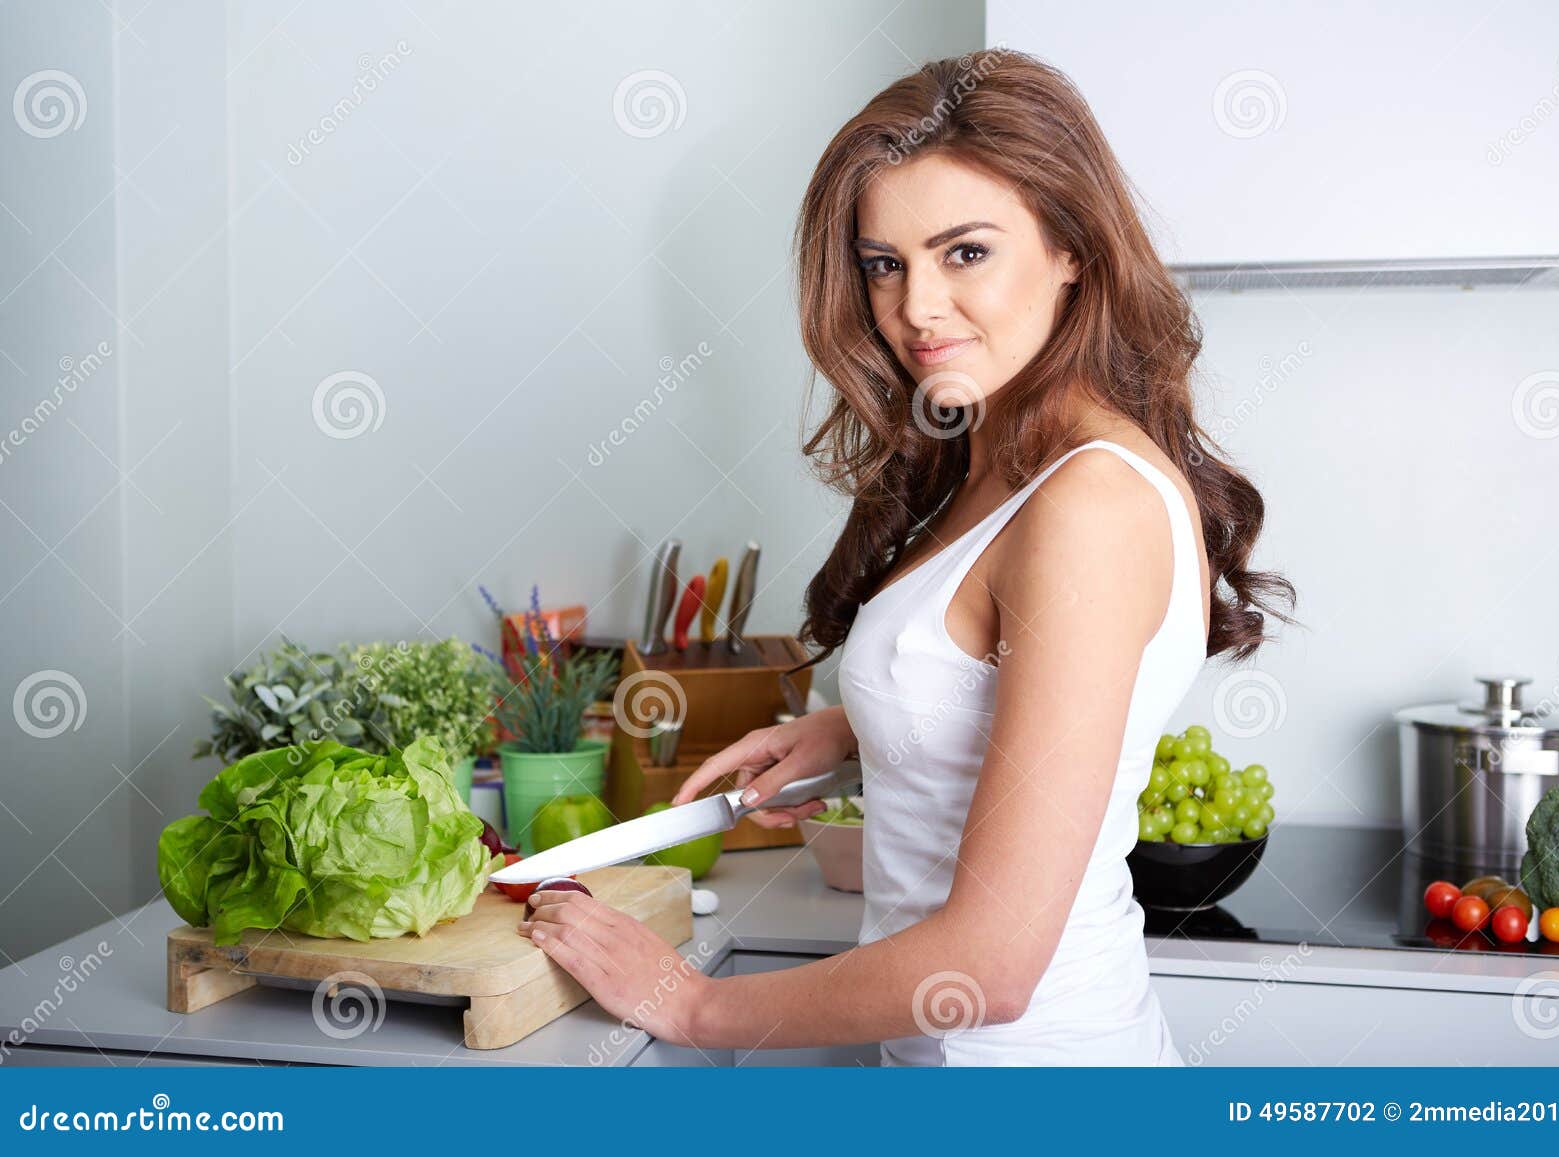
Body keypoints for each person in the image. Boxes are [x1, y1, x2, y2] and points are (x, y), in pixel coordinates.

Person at [517, 48, 1296, 1065]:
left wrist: (692, 1005)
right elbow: (1000, 669)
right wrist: (862, 721)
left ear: (1073, 245)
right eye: (886, 263)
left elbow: (990, 965)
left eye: (963, 252)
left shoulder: (1088, 501)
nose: (916, 308)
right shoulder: (1007, 462)